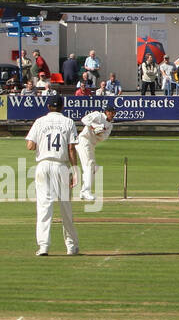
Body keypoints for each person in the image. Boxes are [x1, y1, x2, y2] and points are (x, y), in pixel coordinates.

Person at [26, 95, 80, 256]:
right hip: (60, 165)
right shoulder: (68, 122)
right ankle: (71, 246)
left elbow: (30, 145)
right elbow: (71, 149)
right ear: (62, 107)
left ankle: (43, 246)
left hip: (43, 165)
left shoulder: (39, 121)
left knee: (44, 207)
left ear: (48, 107)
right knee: (65, 207)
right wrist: (75, 171)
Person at [75, 105, 116, 202]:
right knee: (89, 165)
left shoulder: (110, 125)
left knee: (94, 168)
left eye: (114, 112)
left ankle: (83, 191)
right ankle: (86, 191)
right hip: (84, 140)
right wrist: (95, 127)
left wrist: (100, 132)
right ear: (106, 112)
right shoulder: (98, 115)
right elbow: (84, 120)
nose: (112, 114)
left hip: (91, 144)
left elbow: (103, 138)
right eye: (111, 112)